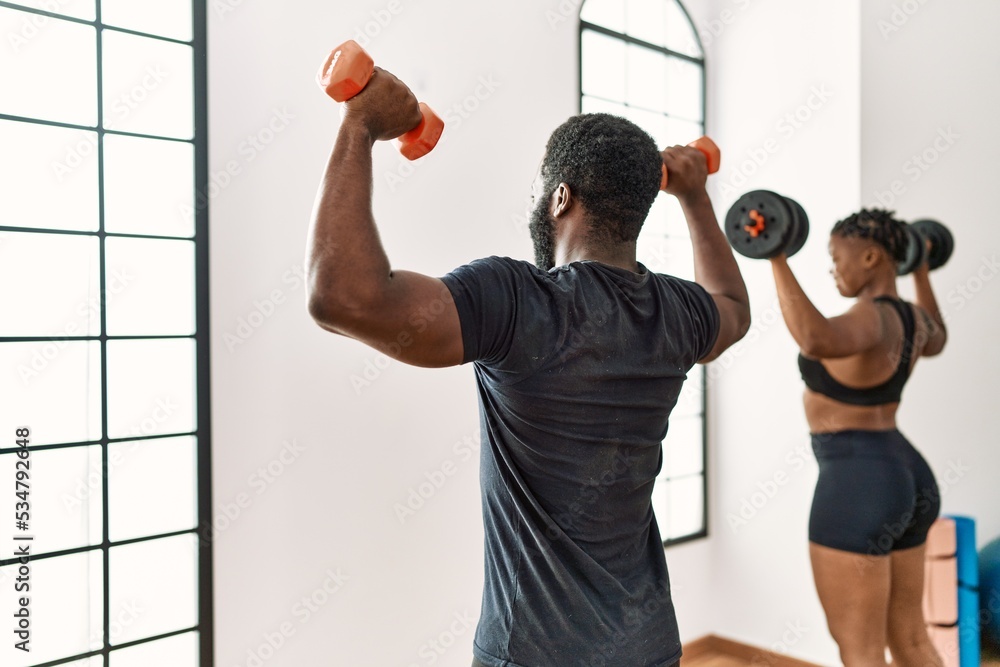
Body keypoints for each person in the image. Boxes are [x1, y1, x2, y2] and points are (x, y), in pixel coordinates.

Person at [305, 66, 750, 666]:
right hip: (648, 647)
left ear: (560, 196)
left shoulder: (519, 301)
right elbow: (735, 309)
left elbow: (342, 297)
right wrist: (695, 197)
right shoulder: (676, 312)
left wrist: (360, 125)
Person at [769, 209, 947, 666]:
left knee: (861, 652)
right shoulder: (913, 318)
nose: (833, 268)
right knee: (911, 639)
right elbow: (940, 337)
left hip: (858, 483)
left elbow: (815, 339)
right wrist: (921, 268)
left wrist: (775, 256)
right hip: (907, 473)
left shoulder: (869, 317)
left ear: (870, 257)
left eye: (836, 257)